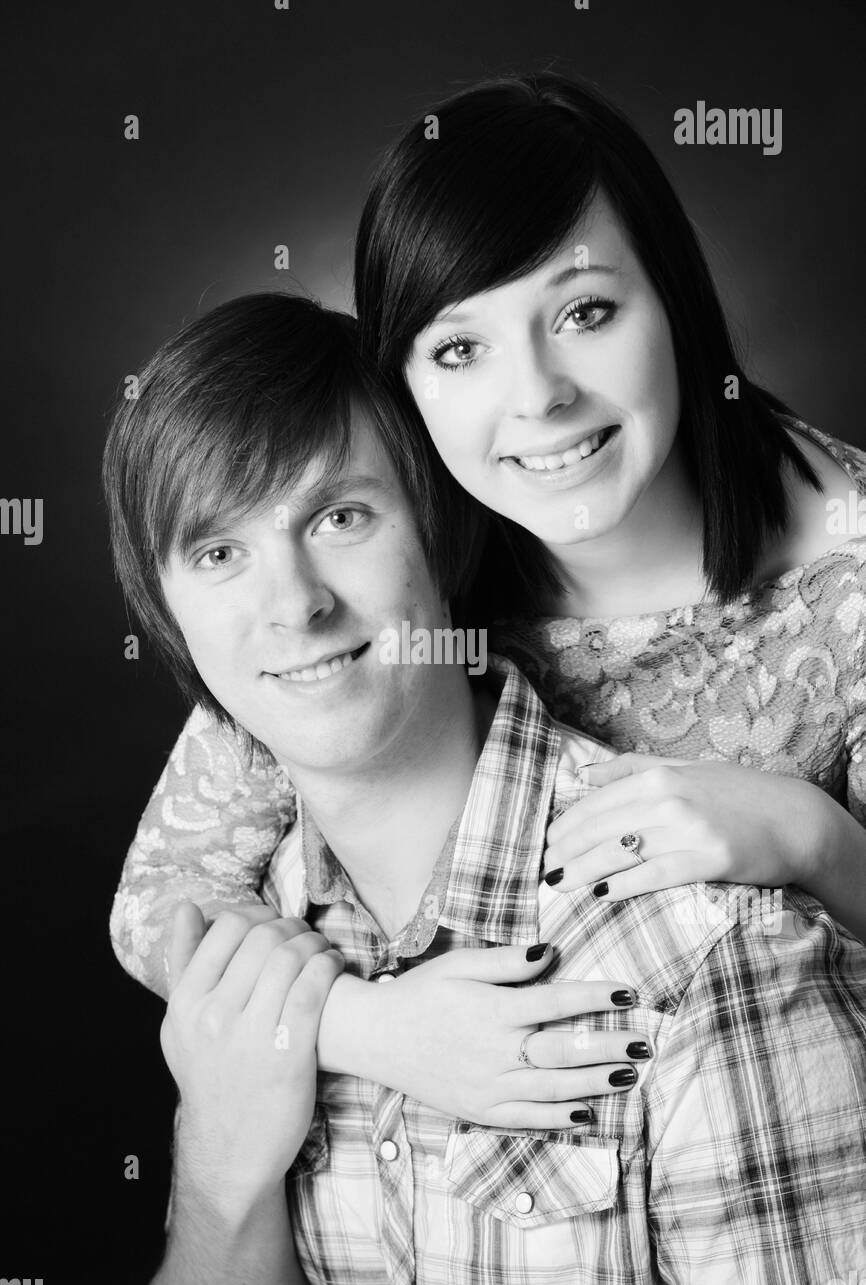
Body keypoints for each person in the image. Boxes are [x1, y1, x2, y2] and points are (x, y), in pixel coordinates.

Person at [110, 75, 866, 1120]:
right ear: (405, 378)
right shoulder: (395, 548)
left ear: (674, 303)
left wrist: (816, 842)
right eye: (460, 348)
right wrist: (375, 1029)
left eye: (586, 311)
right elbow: (157, 900)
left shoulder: (849, 578)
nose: (537, 396)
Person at [103, 292, 866, 1285]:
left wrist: (822, 844)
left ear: (440, 529)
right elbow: (150, 899)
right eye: (218, 554)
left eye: (341, 516)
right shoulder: (254, 940)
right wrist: (226, 1167)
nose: (293, 605)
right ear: (168, 613)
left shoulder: (703, 952)